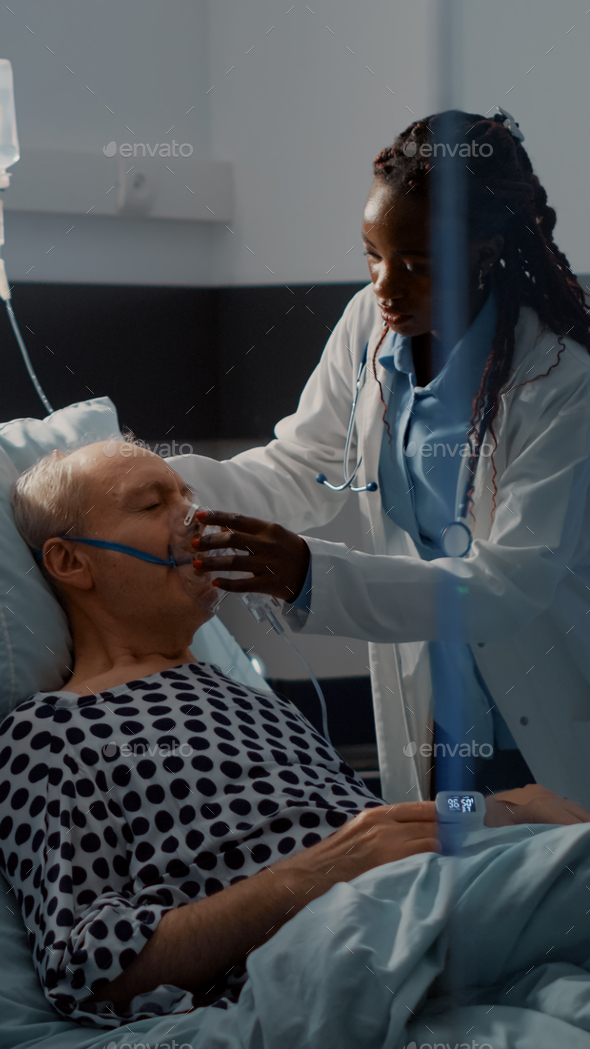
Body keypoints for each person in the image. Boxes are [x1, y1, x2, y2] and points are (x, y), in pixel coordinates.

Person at [2, 440, 586, 1030]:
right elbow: (83, 966)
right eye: (154, 504)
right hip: (329, 946)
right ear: (71, 562)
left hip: (413, 923)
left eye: (189, 497)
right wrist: (317, 876)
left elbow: (370, 830)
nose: (194, 520)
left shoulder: (251, 703)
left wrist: (490, 811)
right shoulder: (52, 730)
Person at [167, 108, 590, 807]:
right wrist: (165, 482)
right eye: (372, 254)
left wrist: (310, 575)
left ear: (483, 252)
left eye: (418, 265)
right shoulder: (371, 325)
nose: (386, 285)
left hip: (543, 705)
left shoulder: (560, 380)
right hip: (435, 715)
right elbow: (300, 465)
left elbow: (507, 584)